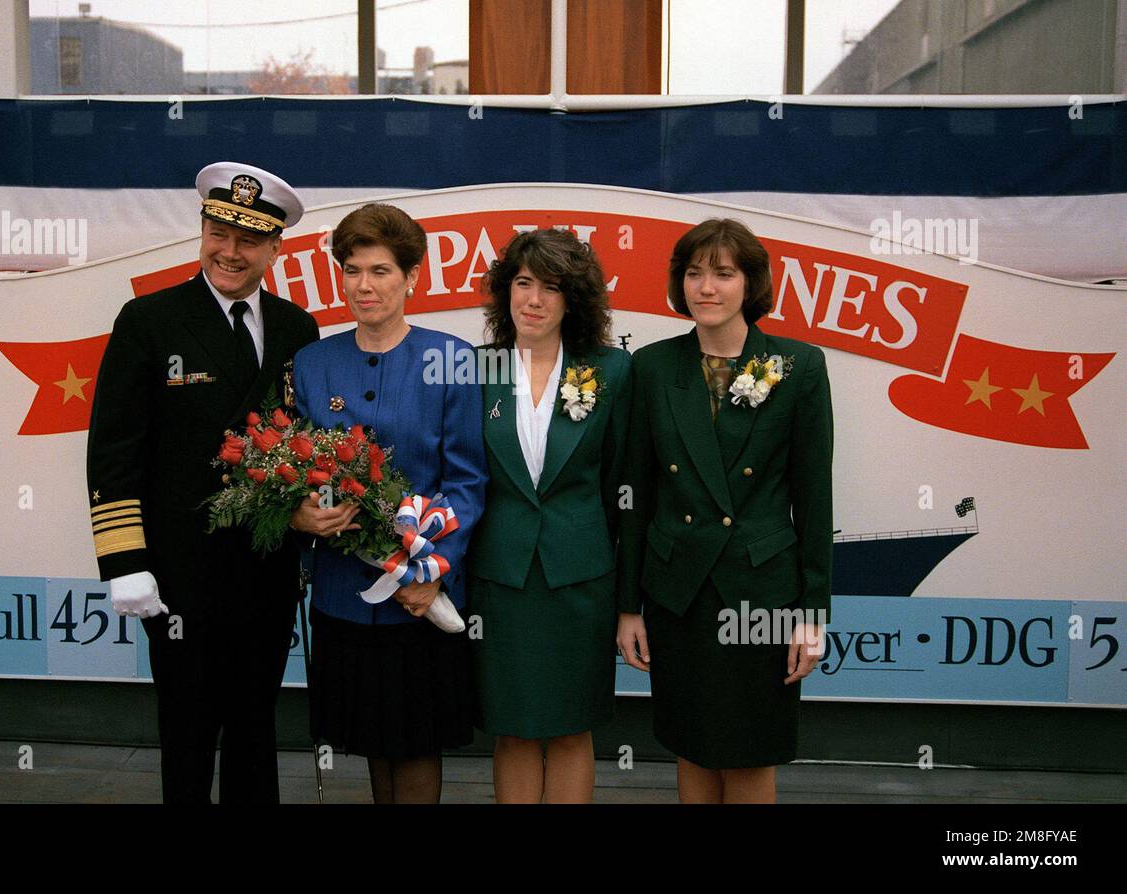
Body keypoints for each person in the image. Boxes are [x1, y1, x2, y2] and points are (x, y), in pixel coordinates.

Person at [86, 162, 319, 804]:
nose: (230, 252)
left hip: (265, 575)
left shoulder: (298, 329)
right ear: (203, 230)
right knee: (187, 742)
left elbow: (304, 447)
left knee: (254, 735)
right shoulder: (150, 321)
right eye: (219, 231)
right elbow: (113, 454)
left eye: (249, 240)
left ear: (276, 247)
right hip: (180, 579)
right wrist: (125, 563)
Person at [615, 218, 833, 804]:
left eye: (723, 273)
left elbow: (814, 500)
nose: (705, 287)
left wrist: (813, 614)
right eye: (693, 273)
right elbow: (635, 498)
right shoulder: (653, 367)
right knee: (692, 746)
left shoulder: (798, 366)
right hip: (677, 591)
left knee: (750, 751)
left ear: (751, 283)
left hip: (760, 594)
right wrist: (627, 607)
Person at [289, 202, 487, 804]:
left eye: (379, 270)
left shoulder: (451, 358)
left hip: (420, 597)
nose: (364, 286)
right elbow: (295, 469)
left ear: (411, 276)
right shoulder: (311, 362)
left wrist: (432, 572)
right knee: (374, 738)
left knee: (417, 740)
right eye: (351, 270)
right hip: (344, 593)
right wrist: (301, 512)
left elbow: (468, 480)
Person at [466, 229, 631, 803]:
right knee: (511, 729)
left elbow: (620, 491)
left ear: (572, 300)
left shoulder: (611, 371)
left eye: (551, 287)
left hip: (579, 581)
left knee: (569, 730)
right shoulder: (475, 369)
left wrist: (627, 600)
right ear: (505, 290)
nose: (533, 299)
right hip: (501, 580)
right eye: (523, 283)